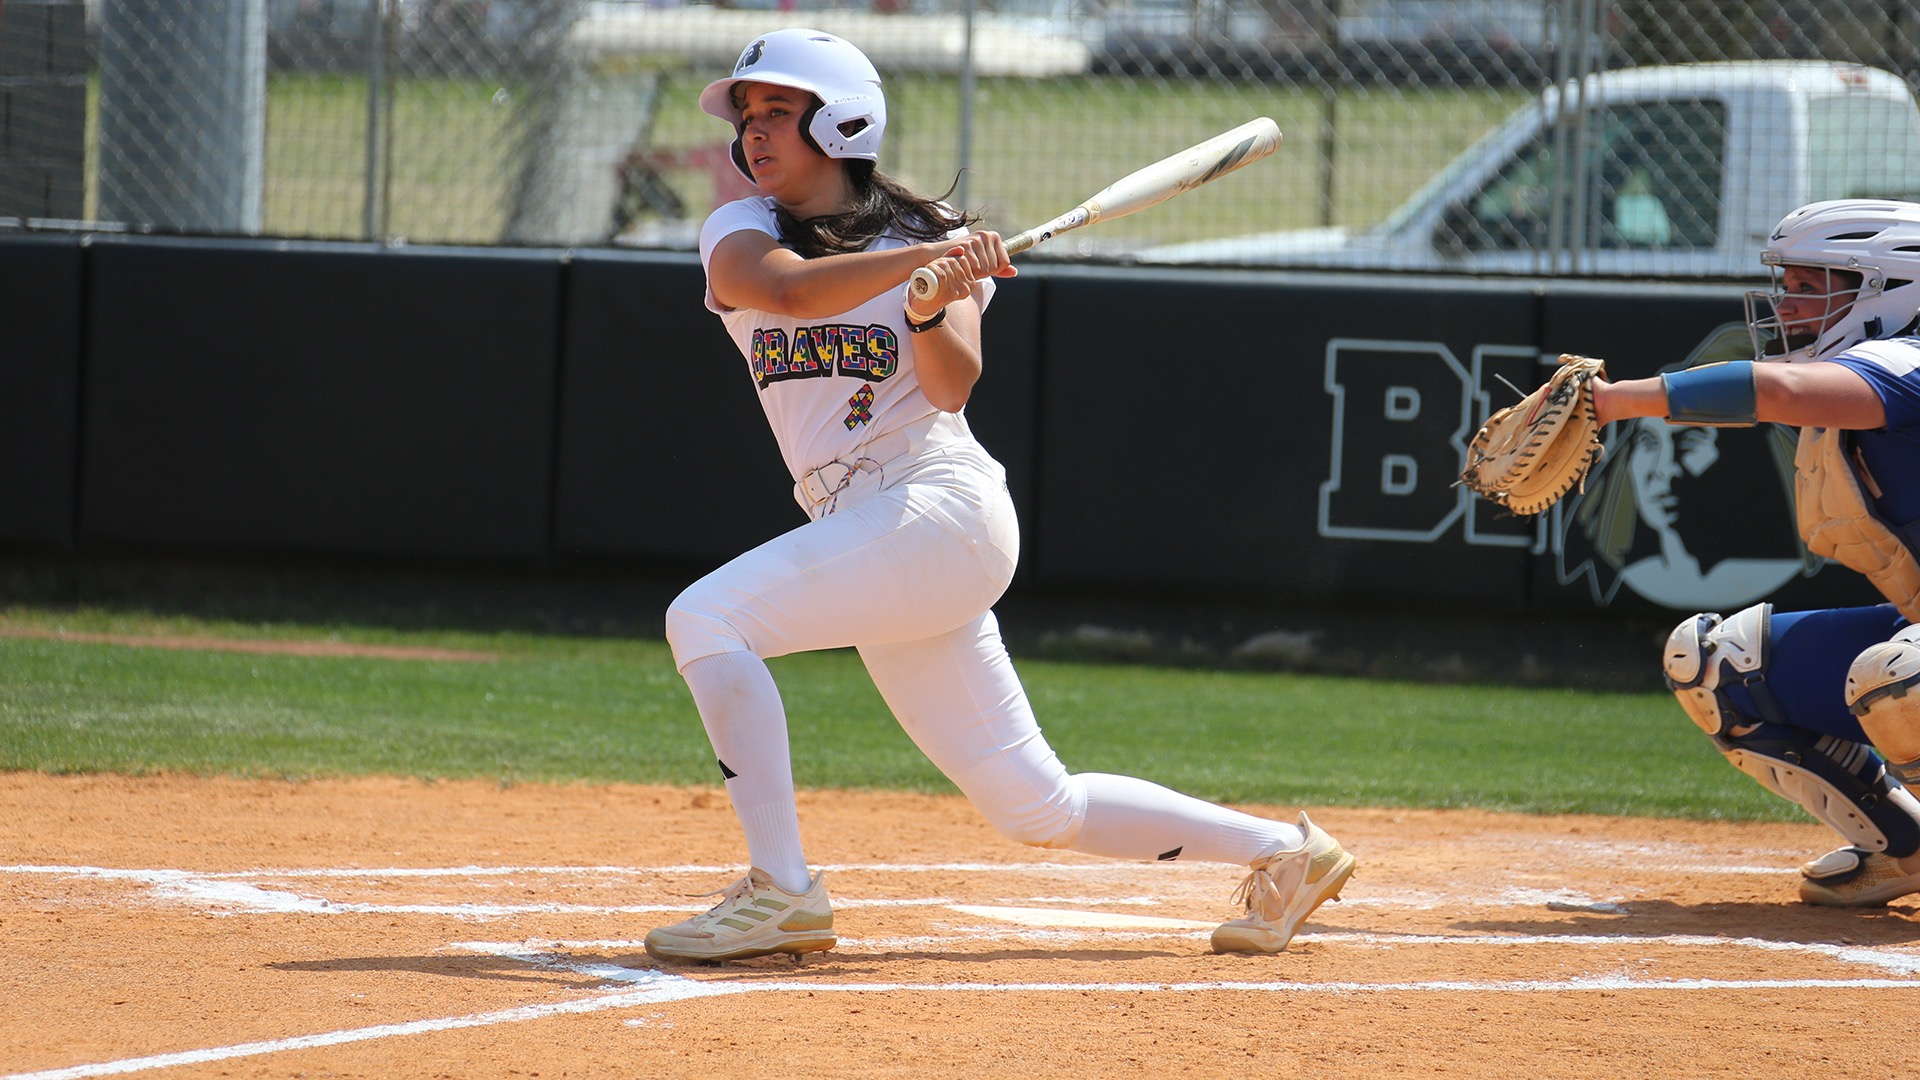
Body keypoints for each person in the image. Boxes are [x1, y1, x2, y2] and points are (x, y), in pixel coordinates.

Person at [642, 27, 1354, 963]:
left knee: (707, 618)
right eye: (749, 117)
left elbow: (949, 386)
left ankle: (782, 890)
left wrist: (935, 303)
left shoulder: (929, 243)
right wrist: (917, 269)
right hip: (869, 525)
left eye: (779, 111)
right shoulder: (741, 230)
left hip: (936, 507)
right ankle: (1288, 854)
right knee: (1034, 804)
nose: (754, 134)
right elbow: (783, 293)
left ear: (842, 121)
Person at [1589, 198, 1920, 907]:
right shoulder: (1875, 368)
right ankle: (1905, 847)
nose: (1786, 306)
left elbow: (1779, 389)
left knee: (1900, 678)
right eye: (1787, 286)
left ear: (1892, 290)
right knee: (1715, 663)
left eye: (1809, 288)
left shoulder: (1908, 361)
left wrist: (1612, 402)